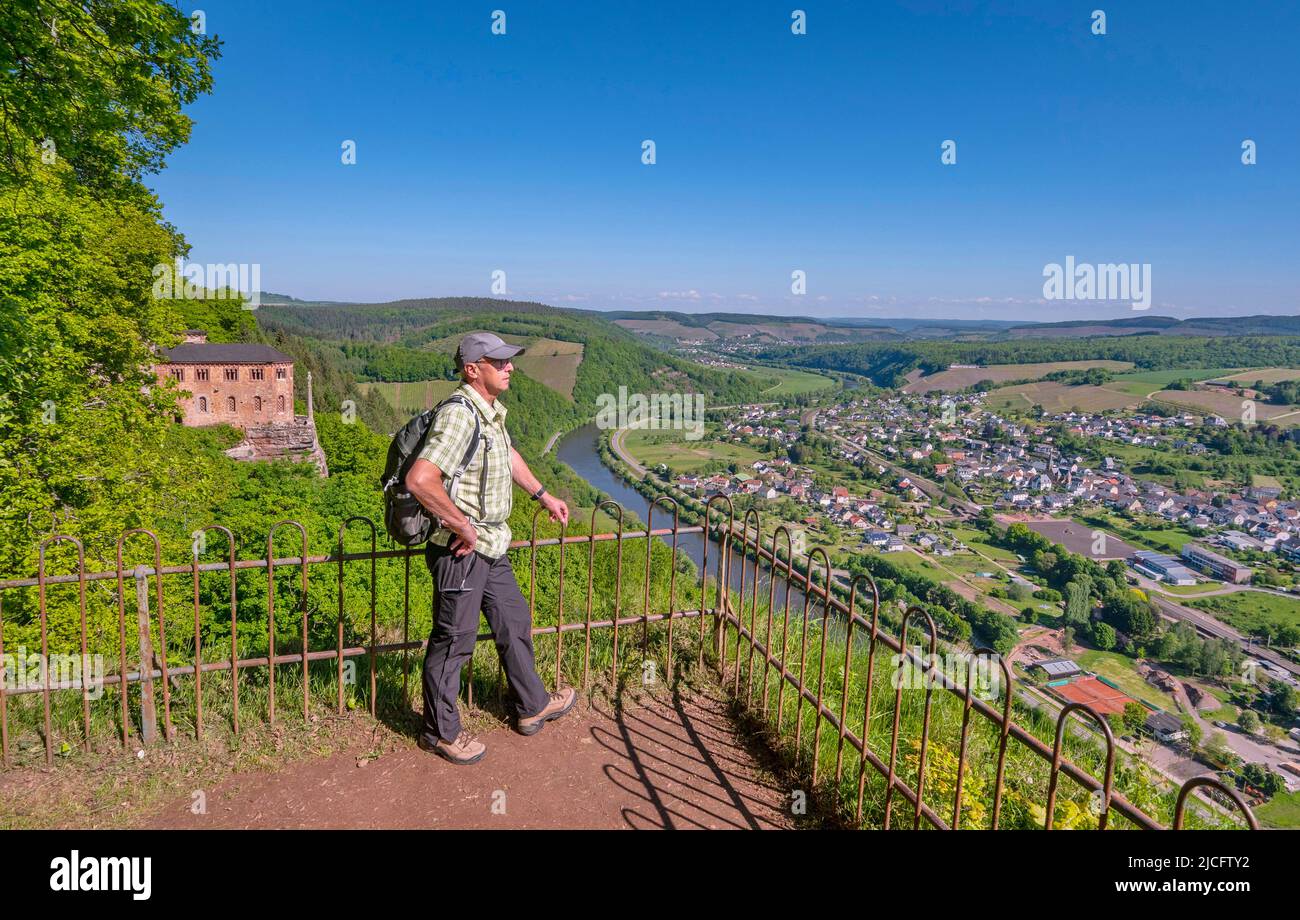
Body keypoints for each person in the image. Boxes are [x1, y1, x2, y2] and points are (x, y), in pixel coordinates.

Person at [404, 332, 576, 765]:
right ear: (471, 368)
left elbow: (507, 453)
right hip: (460, 551)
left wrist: (542, 494)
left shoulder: (490, 413)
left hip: (490, 545)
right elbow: (421, 479)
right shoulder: (460, 415)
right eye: (498, 361)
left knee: (513, 622)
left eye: (509, 360)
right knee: (454, 643)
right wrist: (462, 526)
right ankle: (440, 733)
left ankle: (531, 706)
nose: (509, 367)